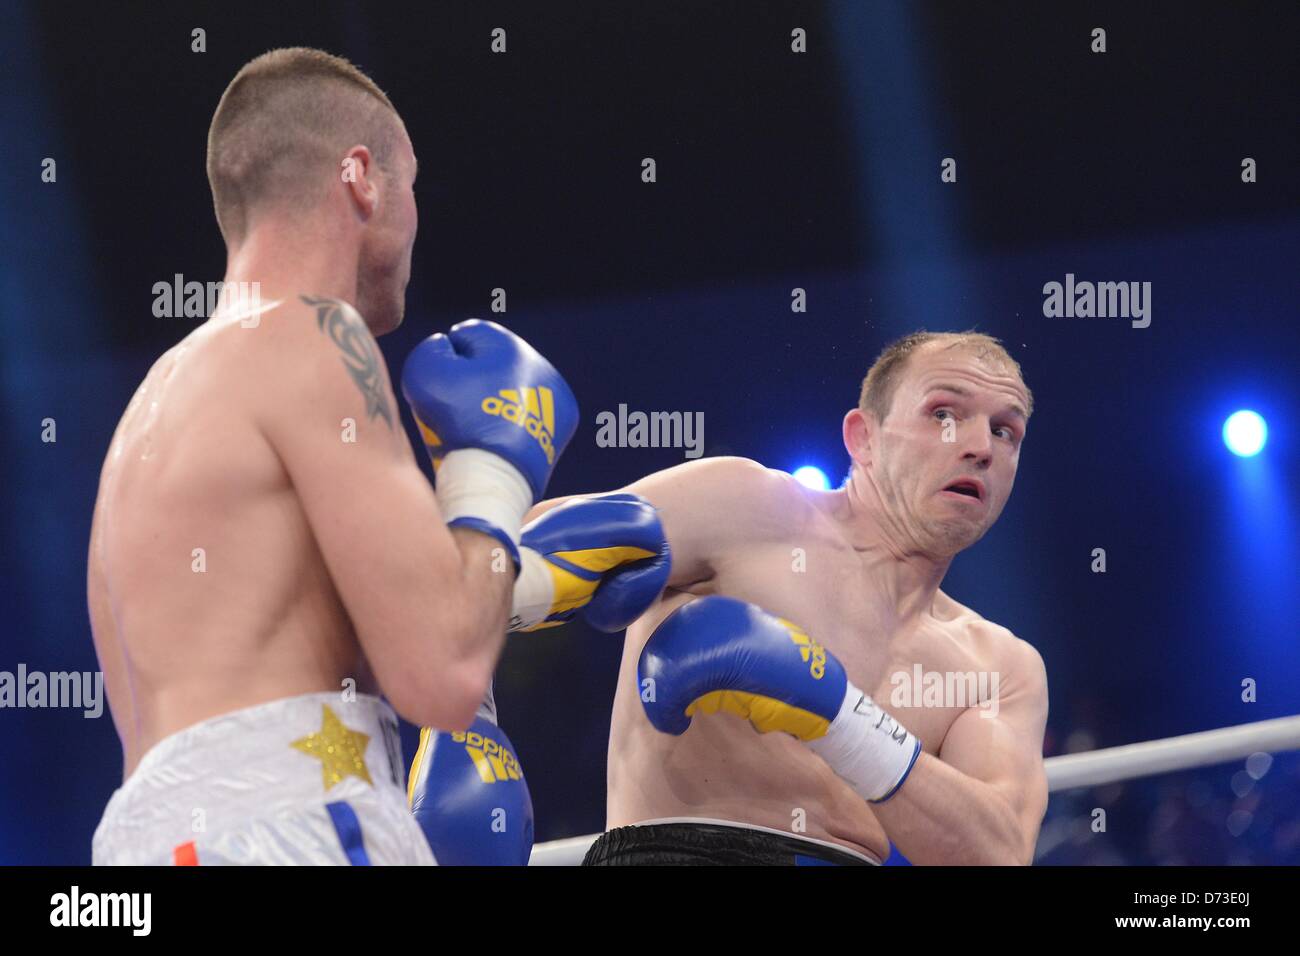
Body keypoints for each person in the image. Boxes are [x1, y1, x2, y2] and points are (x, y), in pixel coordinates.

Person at [85, 47, 645, 865]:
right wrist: (494, 470)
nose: (416, 218)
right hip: (295, 825)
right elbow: (443, 673)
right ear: (362, 177)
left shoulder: (150, 412)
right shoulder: (315, 332)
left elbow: (325, 633)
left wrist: (525, 575)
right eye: (410, 183)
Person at [540, 331, 1049, 865]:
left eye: (1005, 430)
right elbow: (518, 556)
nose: (980, 448)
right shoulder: (748, 507)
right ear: (864, 438)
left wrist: (834, 714)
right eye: (944, 414)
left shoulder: (999, 664)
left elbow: (996, 856)